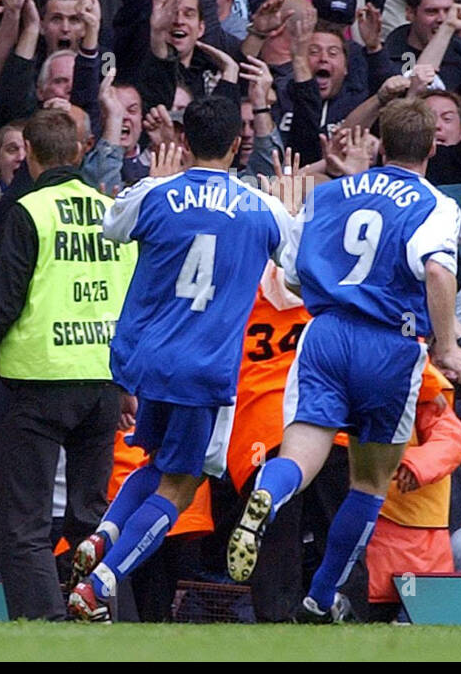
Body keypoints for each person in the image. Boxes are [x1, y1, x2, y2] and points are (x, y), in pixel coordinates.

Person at [228, 97, 461, 622]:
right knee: (368, 482)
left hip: (326, 334)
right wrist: (449, 344)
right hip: (389, 343)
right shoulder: (435, 203)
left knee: (297, 457)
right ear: (433, 146)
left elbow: (292, 275)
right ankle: (320, 597)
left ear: (382, 142)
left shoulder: (329, 195)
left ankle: (267, 498)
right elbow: (437, 271)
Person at [67, 94, 294, 621]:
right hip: (205, 370)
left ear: (183, 141)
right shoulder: (263, 209)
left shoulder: (154, 194)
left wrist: (154, 185)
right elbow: (298, 273)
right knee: (182, 483)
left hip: (147, 362)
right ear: (239, 145)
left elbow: (111, 226)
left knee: (155, 463)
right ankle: (102, 581)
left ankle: (103, 535)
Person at [0, 109, 138, 620]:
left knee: (24, 525)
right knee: (92, 519)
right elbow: (135, 299)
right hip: (101, 378)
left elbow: (2, 303)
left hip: (40, 381)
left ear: (28, 154)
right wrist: (128, 379)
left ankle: (46, 629)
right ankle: (116, 621)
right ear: (79, 151)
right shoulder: (112, 209)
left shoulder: (26, 210)